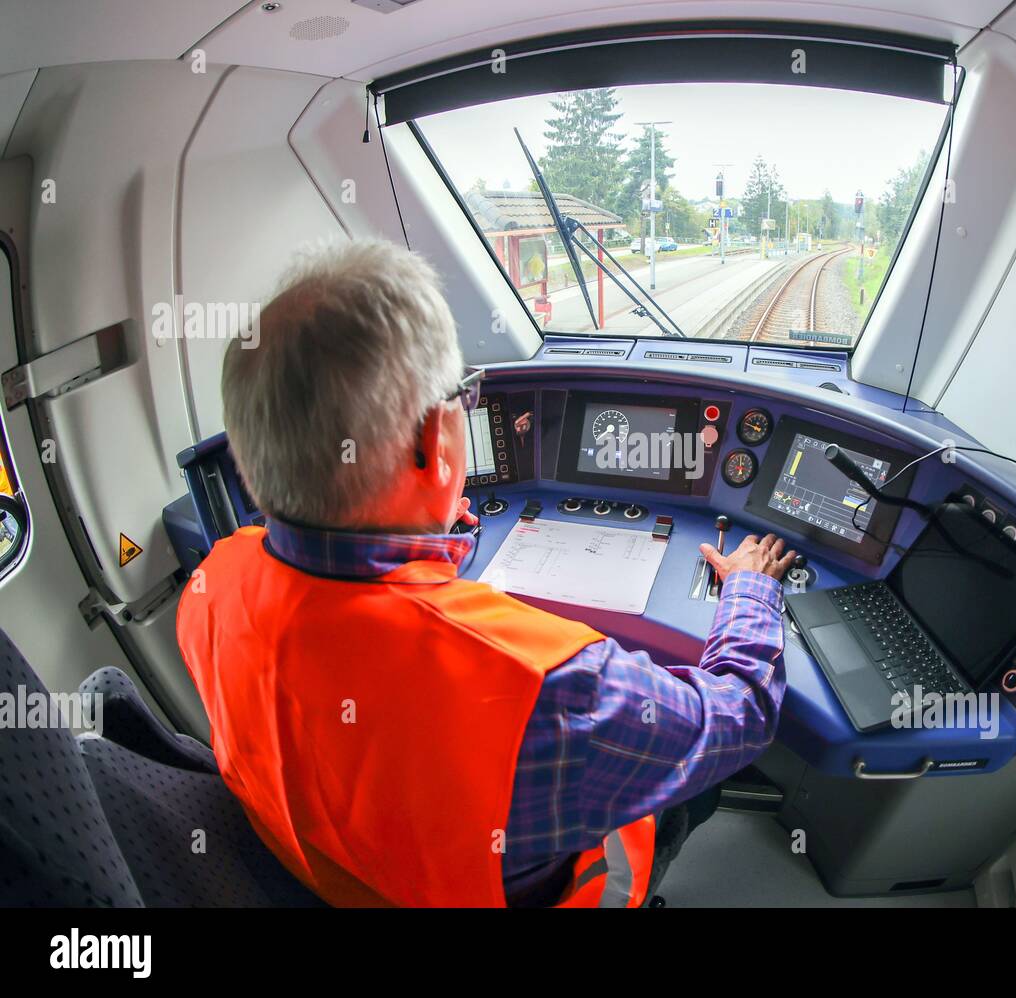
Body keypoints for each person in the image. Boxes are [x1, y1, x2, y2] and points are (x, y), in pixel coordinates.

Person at [176, 239, 796, 907]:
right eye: (462, 400)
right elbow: (741, 712)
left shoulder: (212, 583)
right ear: (430, 448)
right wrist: (750, 586)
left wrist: (424, 537)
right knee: (692, 778)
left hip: (334, 876)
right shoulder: (546, 688)